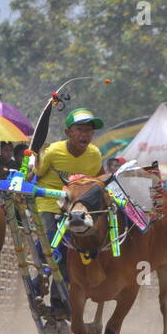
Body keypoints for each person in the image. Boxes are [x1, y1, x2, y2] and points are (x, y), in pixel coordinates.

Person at [30, 105, 105, 310]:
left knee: (76, 249)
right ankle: (40, 279)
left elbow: (100, 180)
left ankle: (59, 300)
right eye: (79, 129)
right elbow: (34, 174)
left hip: (79, 207)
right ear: (68, 132)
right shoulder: (53, 151)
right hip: (50, 204)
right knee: (53, 240)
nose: (85, 134)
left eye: (89, 130)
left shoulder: (95, 155)